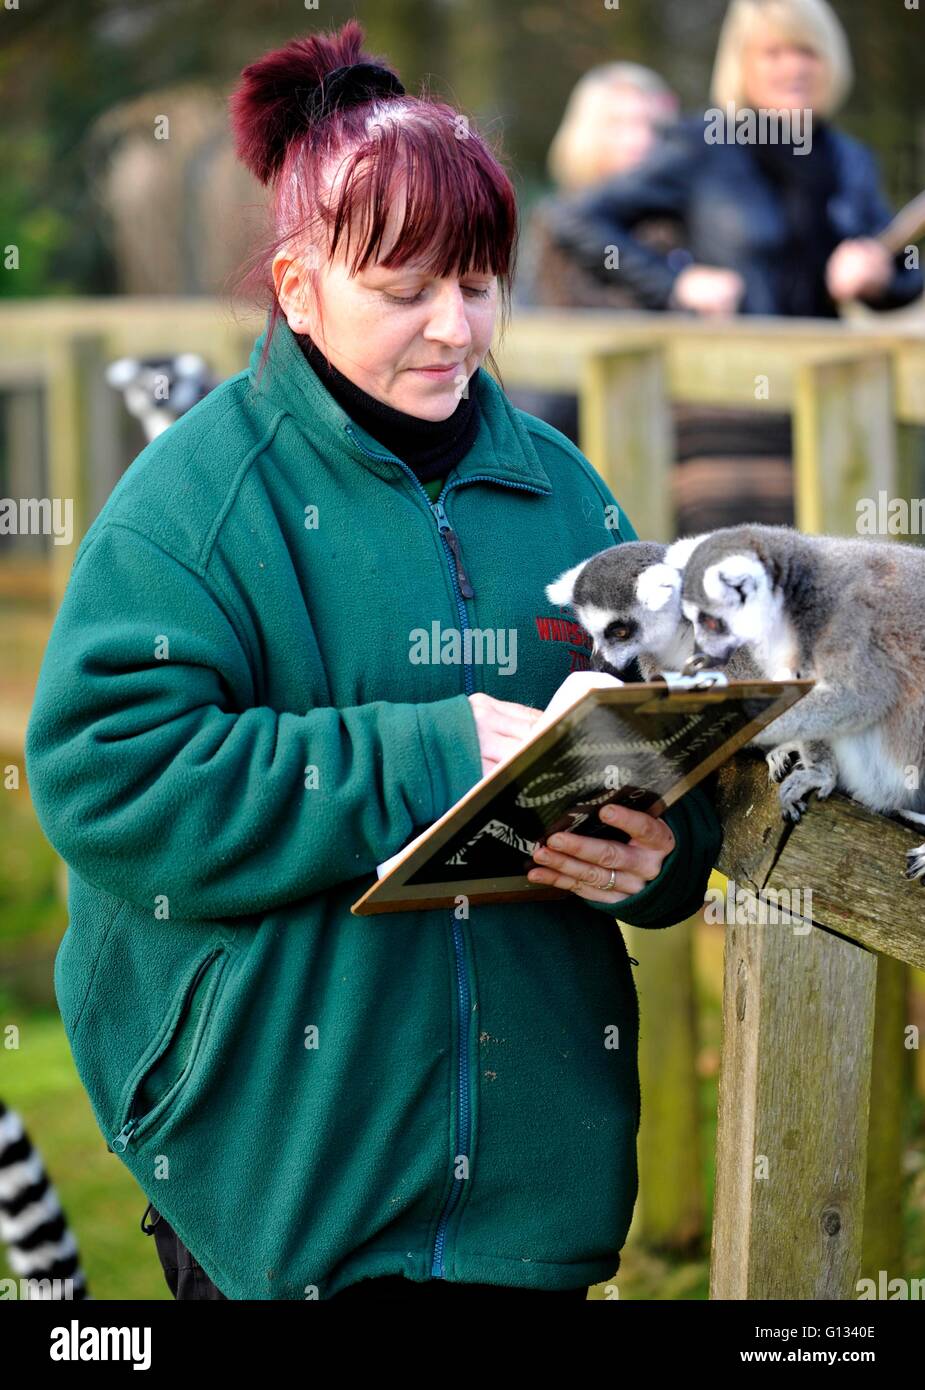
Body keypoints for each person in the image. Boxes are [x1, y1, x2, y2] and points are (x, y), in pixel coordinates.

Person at [24, 20, 722, 1302]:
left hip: (534, 1200)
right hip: (284, 1189)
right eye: (405, 291)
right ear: (298, 287)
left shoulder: (566, 492)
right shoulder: (193, 503)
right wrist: (431, 750)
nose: (455, 330)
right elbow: (106, 778)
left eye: (478, 283)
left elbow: (670, 758)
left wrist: (662, 859)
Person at [543, 0, 924, 534]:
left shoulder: (848, 159)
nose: (793, 67)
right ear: (743, 62)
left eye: (807, 52)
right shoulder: (704, 146)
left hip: (829, 405)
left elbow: (906, 273)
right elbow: (576, 218)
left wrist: (878, 276)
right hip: (727, 413)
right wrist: (677, 283)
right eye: (773, 52)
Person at [511, 62, 685, 442]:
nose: (638, 139)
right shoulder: (556, 227)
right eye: (619, 125)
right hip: (570, 428)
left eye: (650, 125)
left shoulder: (681, 226)